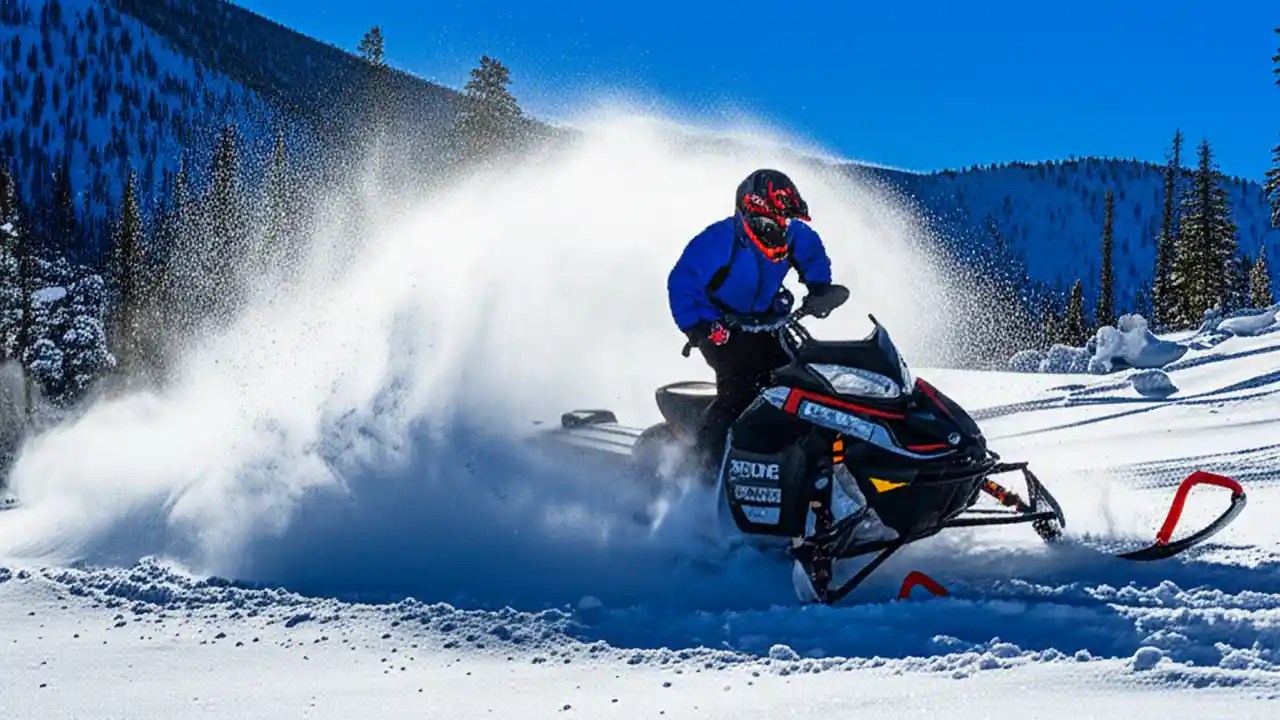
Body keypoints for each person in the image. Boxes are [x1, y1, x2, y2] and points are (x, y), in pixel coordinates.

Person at [667, 168, 838, 476]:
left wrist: (820, 289)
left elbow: (812, 254)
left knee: (801, 382)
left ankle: (804, 464)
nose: (778, 231)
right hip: (720, 327)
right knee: (740, 391)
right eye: (769, 224)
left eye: (782, 222)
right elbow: (682, 281)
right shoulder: (719, 239)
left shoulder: (794, 234)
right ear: (748, 213)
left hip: (768, 323)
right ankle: (702, 467)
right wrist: (696, 327)